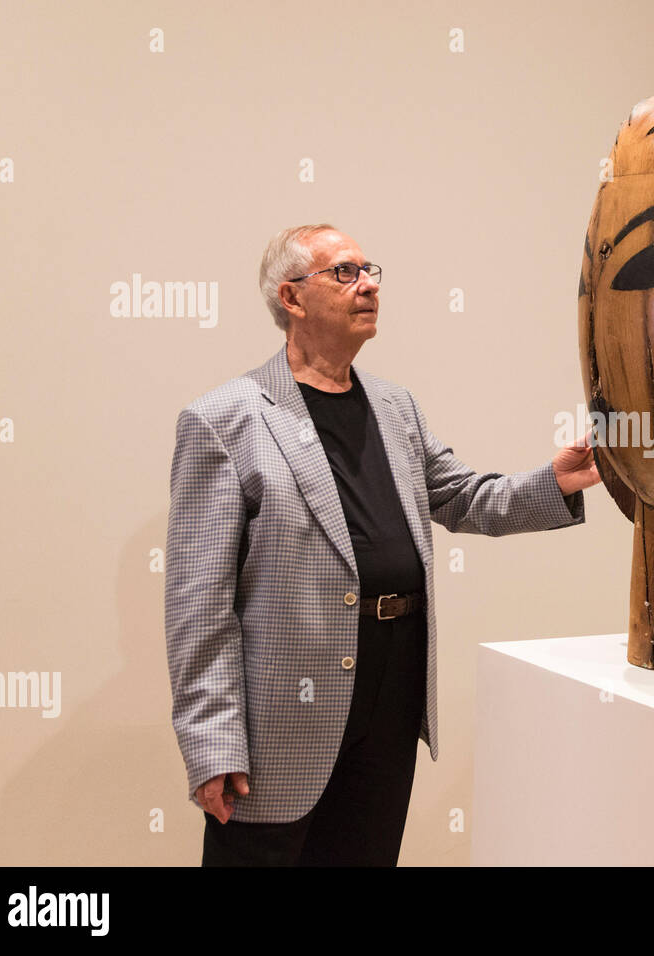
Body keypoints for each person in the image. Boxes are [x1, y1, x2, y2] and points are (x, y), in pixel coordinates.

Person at [164, 223, 599, 866]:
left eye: (369, 270)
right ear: (291, 298)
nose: (367, 284)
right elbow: (199, 604)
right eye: (343, 272)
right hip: (283, 719)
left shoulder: (396, 407)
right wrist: (211, 743)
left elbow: (462, 497)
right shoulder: (225, 420)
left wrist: (557, 481)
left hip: (392, 690)